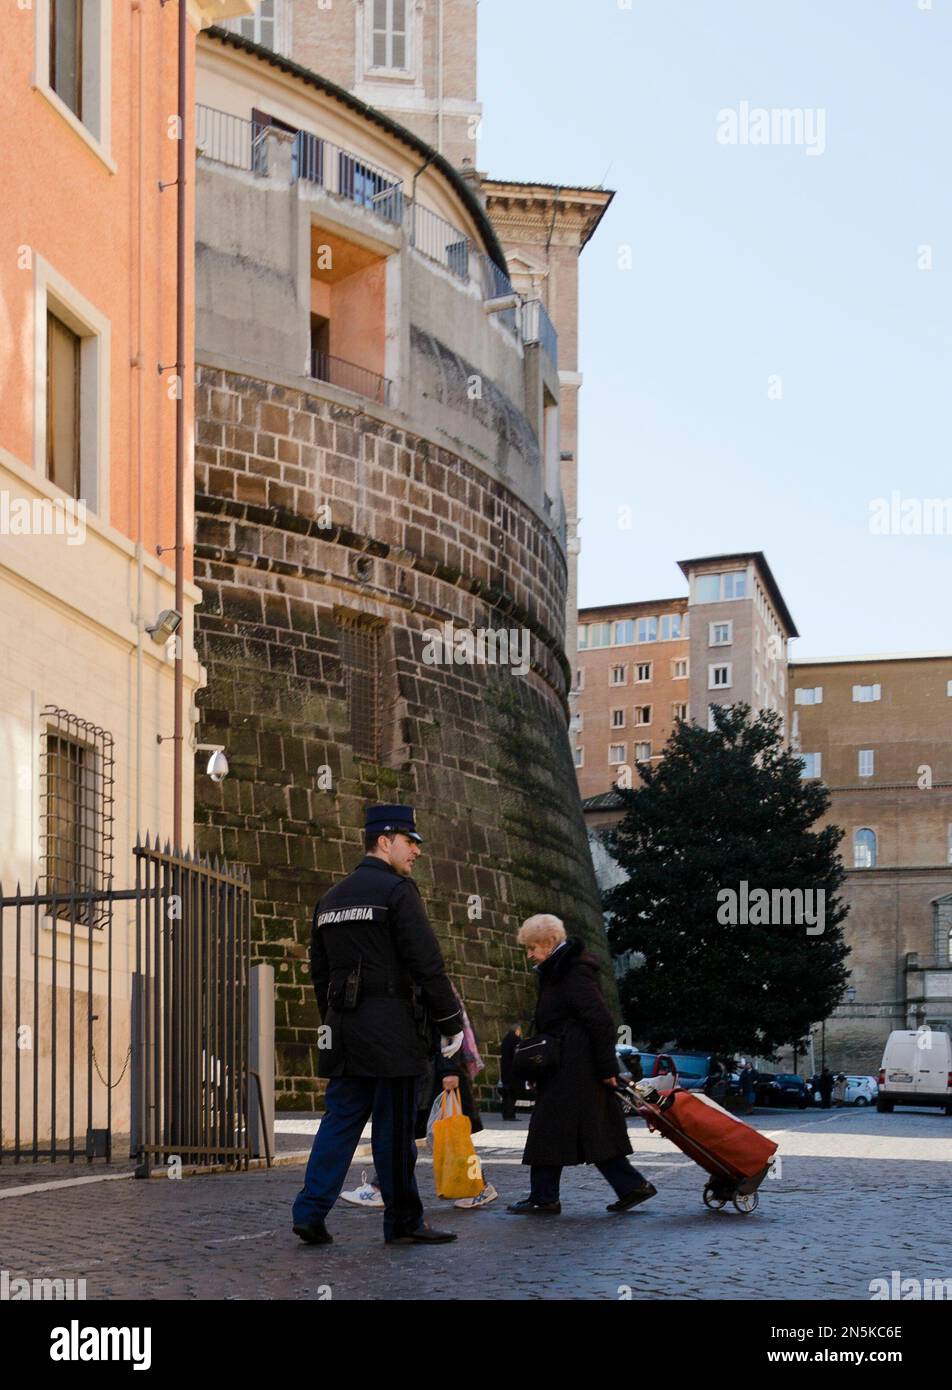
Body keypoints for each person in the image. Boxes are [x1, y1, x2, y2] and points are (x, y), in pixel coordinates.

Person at [291, 804, 465, 1246]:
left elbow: (319, 973)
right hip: (393, 1032)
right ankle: (404, 1222)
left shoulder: (330, 900)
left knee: (338, 1124)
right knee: (393, 1133)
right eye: (411, 843)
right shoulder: (397, 892)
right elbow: (426, 963)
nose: (417, 853)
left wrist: (332, 1020)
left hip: (344, 1031)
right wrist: (450, 1022)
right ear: (385, 841)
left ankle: (309, 1213)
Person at [506, 914, 657, 1216]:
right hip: (569, 1066)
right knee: (591, 1130)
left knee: (549, 1129)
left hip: (575, 1069)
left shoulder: (572, 972)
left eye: (532, 947)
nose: (530, 954)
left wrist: (605, 1069)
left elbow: (600, 1021)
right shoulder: (560, 970)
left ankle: (544, 1197)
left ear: (549, 943)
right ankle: (630, 1186)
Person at [499, 1023, 524, 1120]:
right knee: (512, 1093)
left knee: (506, 1093)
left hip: (504, 1069)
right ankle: (510, 1114)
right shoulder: (516, 1040)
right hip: (512, 1070)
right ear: (517, 1030)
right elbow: (517, 1054)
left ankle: (506, 1113)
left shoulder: (505, 1040)